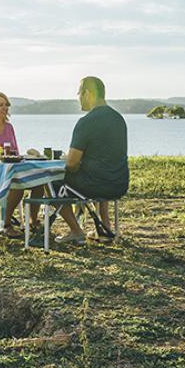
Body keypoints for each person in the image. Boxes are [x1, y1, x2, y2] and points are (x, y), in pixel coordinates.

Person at [50, 76, 129, 245]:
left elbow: (71, 164)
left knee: (51, 183)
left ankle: (76, 231)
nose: (78, 97)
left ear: (87, 93)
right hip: (119, 184)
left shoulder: (86, 122)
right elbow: (106, 157)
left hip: (96, 185)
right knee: (101, 171)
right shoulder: (118, 119)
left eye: (79, 93)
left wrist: (68, 161)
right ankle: (105, 226)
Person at [0, 91, 44, 238]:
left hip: (12, 172)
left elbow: (16, 153)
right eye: (1, 105)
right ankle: (5, 225)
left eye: (6, 105)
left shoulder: (9, 127)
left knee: (39, 182)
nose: (5, 108)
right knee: (16, 185)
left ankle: (33, 221)